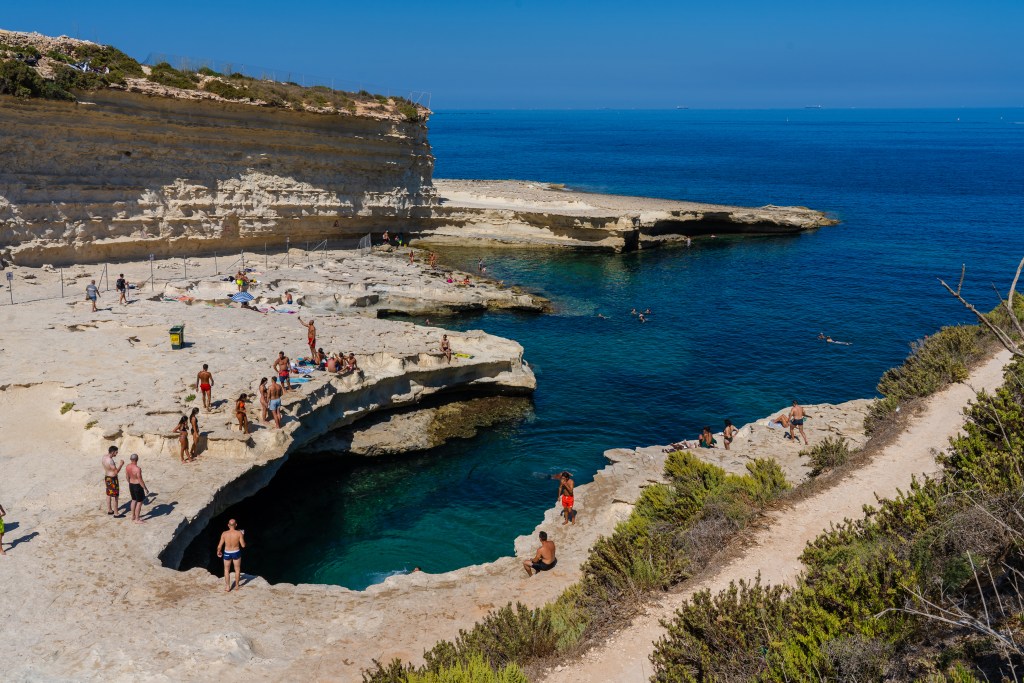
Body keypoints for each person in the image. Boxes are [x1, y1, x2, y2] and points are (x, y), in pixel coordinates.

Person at [216, 519, 246, 592]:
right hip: (236, 552)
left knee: (226, 570)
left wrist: (218, 551)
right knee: (237, 569)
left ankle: (227, 587)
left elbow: (220, 545)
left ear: (228, 525)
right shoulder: (239, 533)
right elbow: (243, 545)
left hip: (227, 552)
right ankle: (236, 586)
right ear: (236, 525)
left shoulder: (224, 533)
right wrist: (242, 535)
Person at [125, 454, 149, 524]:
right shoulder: (138, 469)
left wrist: (129, 482)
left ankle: (133, 516)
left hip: (131, 484)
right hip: (137, 486)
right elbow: (140, 480)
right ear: (137, 459)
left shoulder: (127, 466)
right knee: (139, 502)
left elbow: (127, 476)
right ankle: (137, 519)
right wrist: (145, 488)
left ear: (130, 459)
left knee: (133, 500)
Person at [101, 445, 124, 516]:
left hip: (107, 477)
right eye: (116, 452)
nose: (116, 454)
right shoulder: (110, 461)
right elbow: (116, 471)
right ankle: (116, 513)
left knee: (108, 494)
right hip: (112, 479)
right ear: (113, 452)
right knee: (115, 496)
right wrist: (121, 465)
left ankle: (110, 510)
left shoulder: (104, 457)